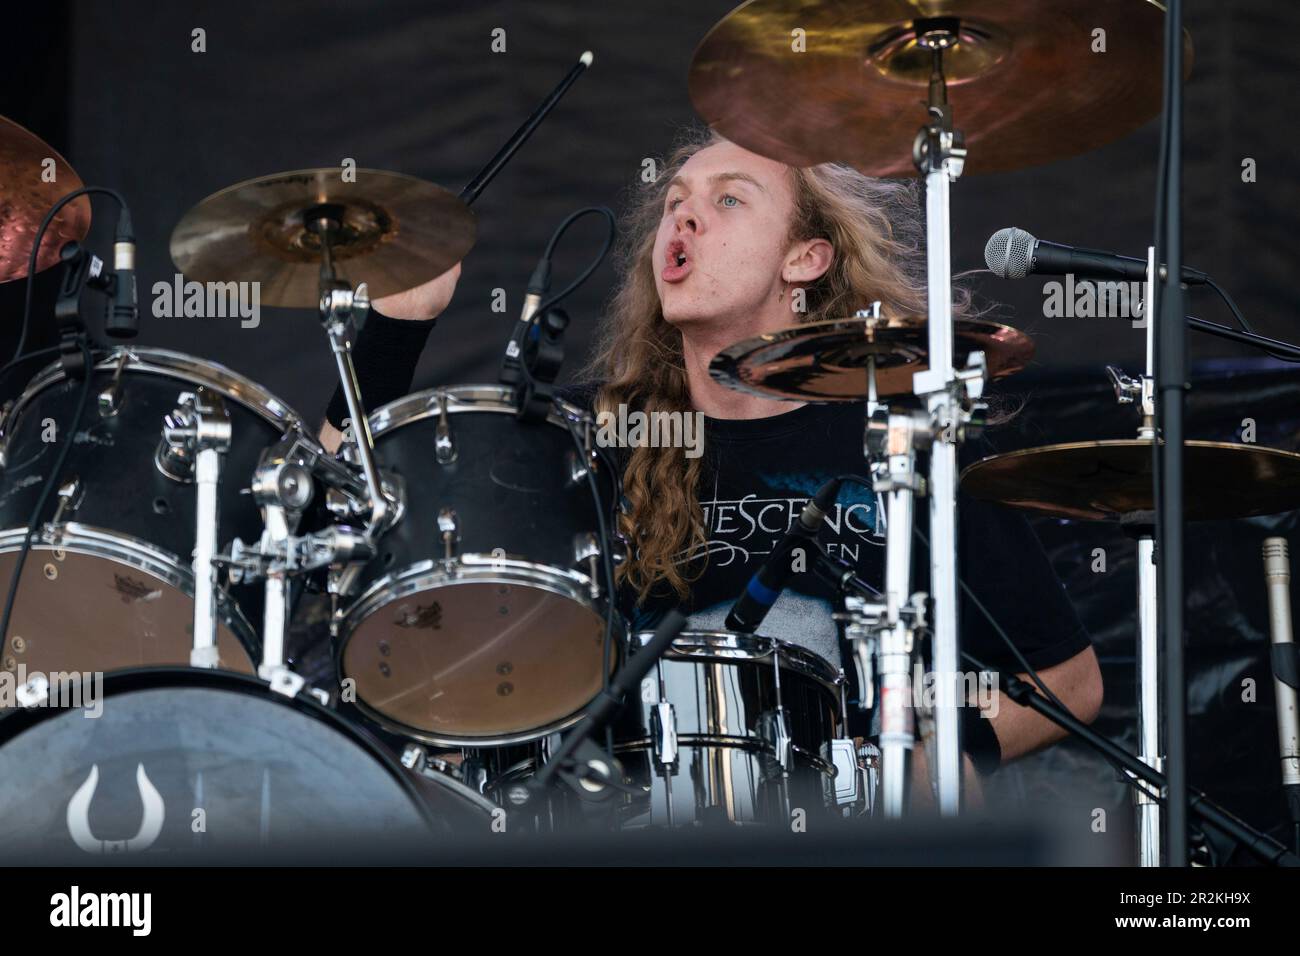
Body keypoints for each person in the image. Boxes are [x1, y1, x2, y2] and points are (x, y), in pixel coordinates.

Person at [318, 130, 1103, 794]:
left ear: (806, 258)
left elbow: (1068, 683)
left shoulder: (904, 435)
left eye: (729, 199)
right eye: (674, 203)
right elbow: (329, 528)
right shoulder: (588, 434)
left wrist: (929, 771)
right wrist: (395, 329)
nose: (684, 215)